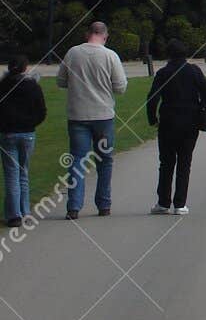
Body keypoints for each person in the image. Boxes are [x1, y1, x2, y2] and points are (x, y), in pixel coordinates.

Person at [56, 22, 128, 220]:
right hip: (103, 115)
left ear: (88, 34)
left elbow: (60, 81)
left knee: (77, 160)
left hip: (78, 115)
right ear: (105, 36)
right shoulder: (110, 55)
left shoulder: (73, 53)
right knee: (104, 161)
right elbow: (120, 87)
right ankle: (104, 204)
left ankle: (74, 207)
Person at [146, 41, 206, 216]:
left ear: (169, 55)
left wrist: (152, 119)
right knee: (184, 162)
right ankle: (180, 204)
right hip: (190, 122)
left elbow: (152, 98)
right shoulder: (194, 71)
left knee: (166, 163)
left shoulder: (163, 73)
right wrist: (203, 107)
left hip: (168, 121)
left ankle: (163, 202)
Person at [0, 55, 47, 227]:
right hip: (27, 132)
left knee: (11, 174)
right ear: (25, 68)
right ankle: (25, 211)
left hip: (8, 133)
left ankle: (14, 215)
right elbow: (41, 111)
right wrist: (31, 123)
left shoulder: (3, 86)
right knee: (23, 173)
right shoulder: (32, 87)